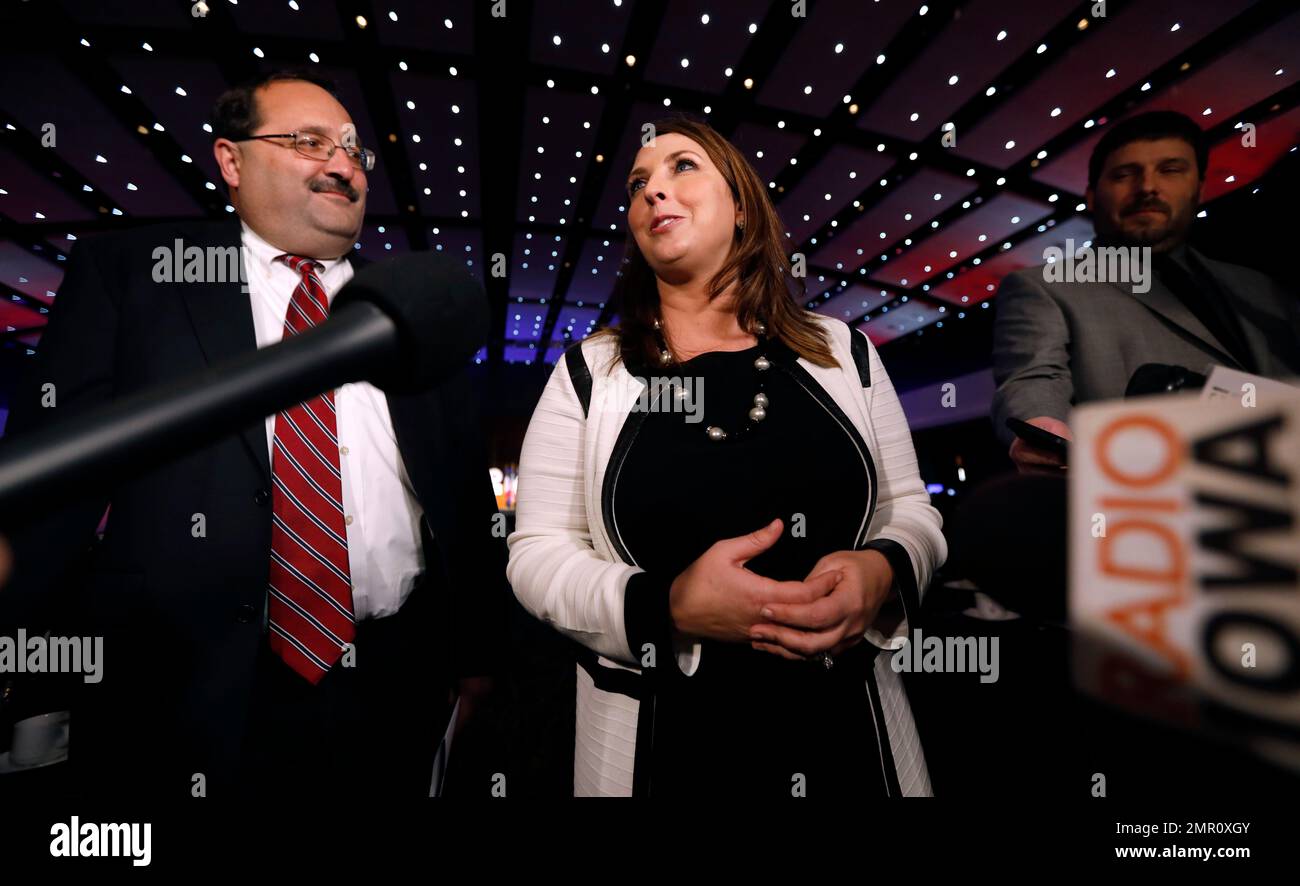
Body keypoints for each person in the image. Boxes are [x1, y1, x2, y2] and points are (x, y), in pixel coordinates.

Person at [0, 70, 507, 797]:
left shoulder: (413, 309)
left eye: (354, 151)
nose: (342, 165)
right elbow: (49, 491)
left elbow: (461, 497)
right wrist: (30, 663)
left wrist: (476, 654)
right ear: (231, 161)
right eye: (309, 142)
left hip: (389, 685)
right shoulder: (135, 275)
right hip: (179, 691)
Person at [506, 117, 947, 797]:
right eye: (637, 184)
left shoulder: (843, 352)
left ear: (742, 206)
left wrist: (883, 571)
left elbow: (910, 511)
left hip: (844, 725)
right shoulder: (590, 372)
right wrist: (667, 607)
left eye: (682, 167)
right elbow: (537, 553)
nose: (654, 191)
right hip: (664, 737)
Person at [992, 110, 1300, 473]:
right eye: (1124, 174)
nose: (1148, 187)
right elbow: (1034, 377)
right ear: (1091, 196)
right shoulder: (1044, 286)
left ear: (1199, 187)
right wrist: (1042, 425)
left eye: (1170, 170)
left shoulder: (1261, 288)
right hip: (1159, 499)